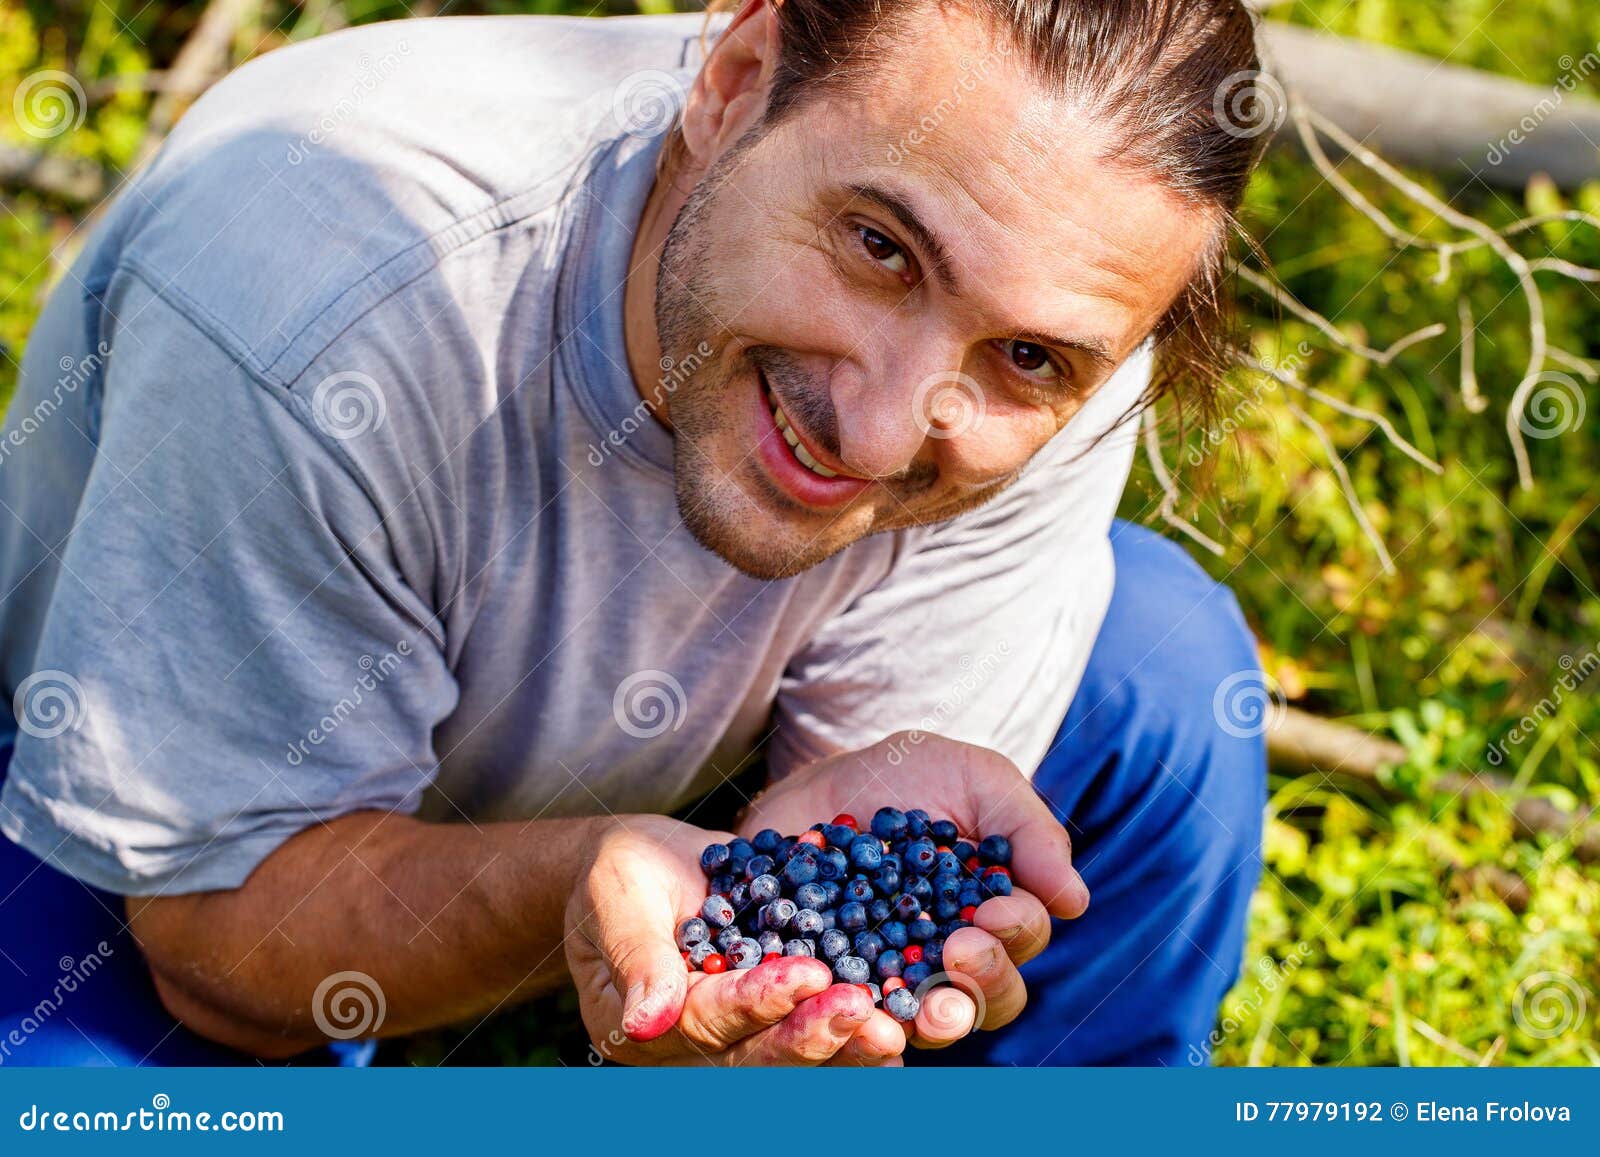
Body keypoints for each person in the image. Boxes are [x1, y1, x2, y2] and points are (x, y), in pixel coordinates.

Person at [0, 0, 1267, 1067]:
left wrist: (764, 941)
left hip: (673, 739)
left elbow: (854, 857)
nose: (881, 436)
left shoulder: (1071, 298)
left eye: (1028, 357)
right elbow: (218, 945)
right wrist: (578, 887)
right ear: (734, 82)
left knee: (1165, 669)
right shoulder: (327, 307)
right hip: (195, 777)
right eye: (878, 247)